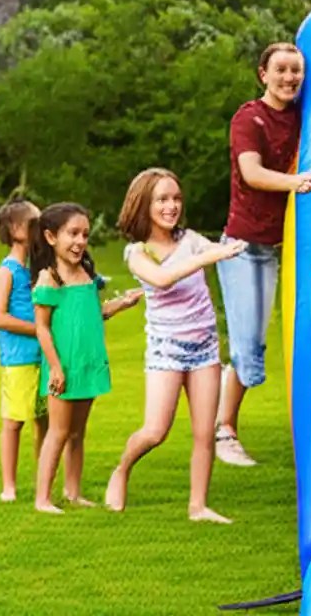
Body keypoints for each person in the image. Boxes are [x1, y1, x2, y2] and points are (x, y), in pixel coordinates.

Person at [104, 169, 247, 523]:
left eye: (176, 199)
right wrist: (206, 257)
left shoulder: (191, 239)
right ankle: (121, 469)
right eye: (162, 199)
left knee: (204, 433)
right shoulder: (137, 252)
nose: (172, 206)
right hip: (166, 350)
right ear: (144, 205)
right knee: (155, 431)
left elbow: (217, 250)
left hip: (204, 348)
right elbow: (163, 280)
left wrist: (232, 248)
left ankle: (198, 506)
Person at [215, 42, 311, 467]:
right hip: (243, 247)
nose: (290, 77)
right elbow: (252, 174)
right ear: (263, 74)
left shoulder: (300, 116)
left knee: (255, 347)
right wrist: (298, 182)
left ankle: (221, 426)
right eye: (281, 70)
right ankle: (223, 432)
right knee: (248, 350)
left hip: (281, 247)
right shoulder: (248, 118)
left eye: (296, 70)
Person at [30, 203, 143, 514]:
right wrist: (55, 367)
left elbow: (96, 313)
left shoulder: (86, 273)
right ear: (51, 237)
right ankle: (43, 499)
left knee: (78, 433)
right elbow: (41, 328)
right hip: (63, 367)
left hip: (88, 363)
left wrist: (122, 303)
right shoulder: (50, 278)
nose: (80, 241)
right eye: (73, 234)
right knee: (59, 431)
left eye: (84, 234)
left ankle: (73, 491)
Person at [0, 197, 46, 502]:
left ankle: (43, 479)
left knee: (44, 420)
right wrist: (38, 330)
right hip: (19, 357)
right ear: (15, 229)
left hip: (45, 355)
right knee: (13, 422)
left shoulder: (38, 268)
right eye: (34, 223)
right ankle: (9, 486)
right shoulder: (9, 269)